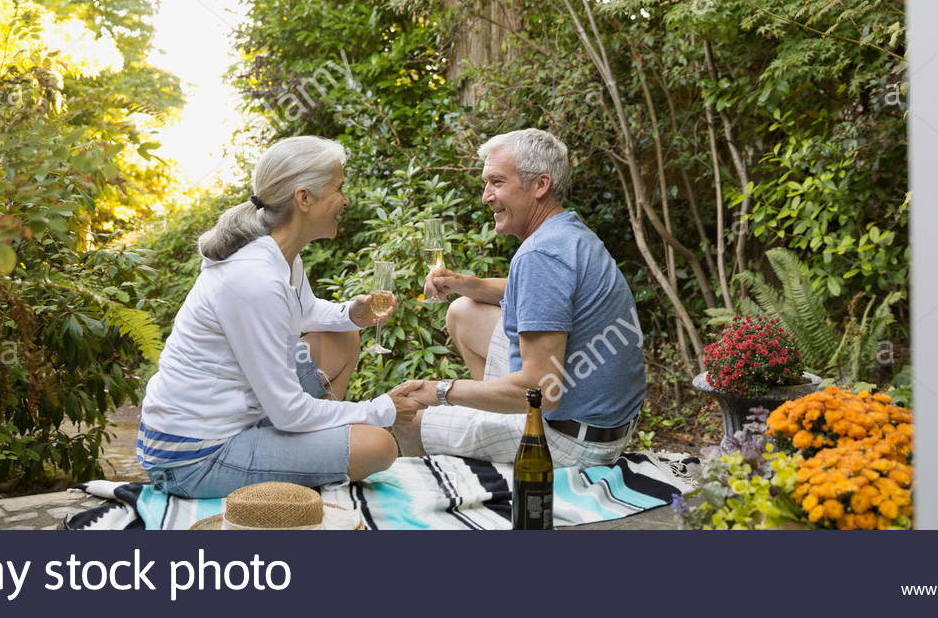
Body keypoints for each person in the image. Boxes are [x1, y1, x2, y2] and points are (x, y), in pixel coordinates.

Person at [137, 135, 420, 498]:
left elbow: (305, 312)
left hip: (243, 411)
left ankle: (319, 447)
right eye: (338, 188)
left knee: (343, 336)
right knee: (379, 446)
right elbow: (288, 412)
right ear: (304, 198)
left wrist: (353, 312)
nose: (345, 200)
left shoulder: (282, 255)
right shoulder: (253, 277)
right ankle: (322, 450)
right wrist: (381, 408)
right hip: (192, 456)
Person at [391, 129, 646, 469]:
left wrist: (441, 390)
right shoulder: (565, 233)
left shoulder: (541, 255)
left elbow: (541, 390)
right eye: (485, 184)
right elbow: (542, 296)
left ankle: (459, 470)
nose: (486, 196)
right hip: (605, 425)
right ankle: (493, 416)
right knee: (463, 312)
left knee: (402, 419)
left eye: (497, 182)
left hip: (570, 445)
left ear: (540, 185)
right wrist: (467, 283)